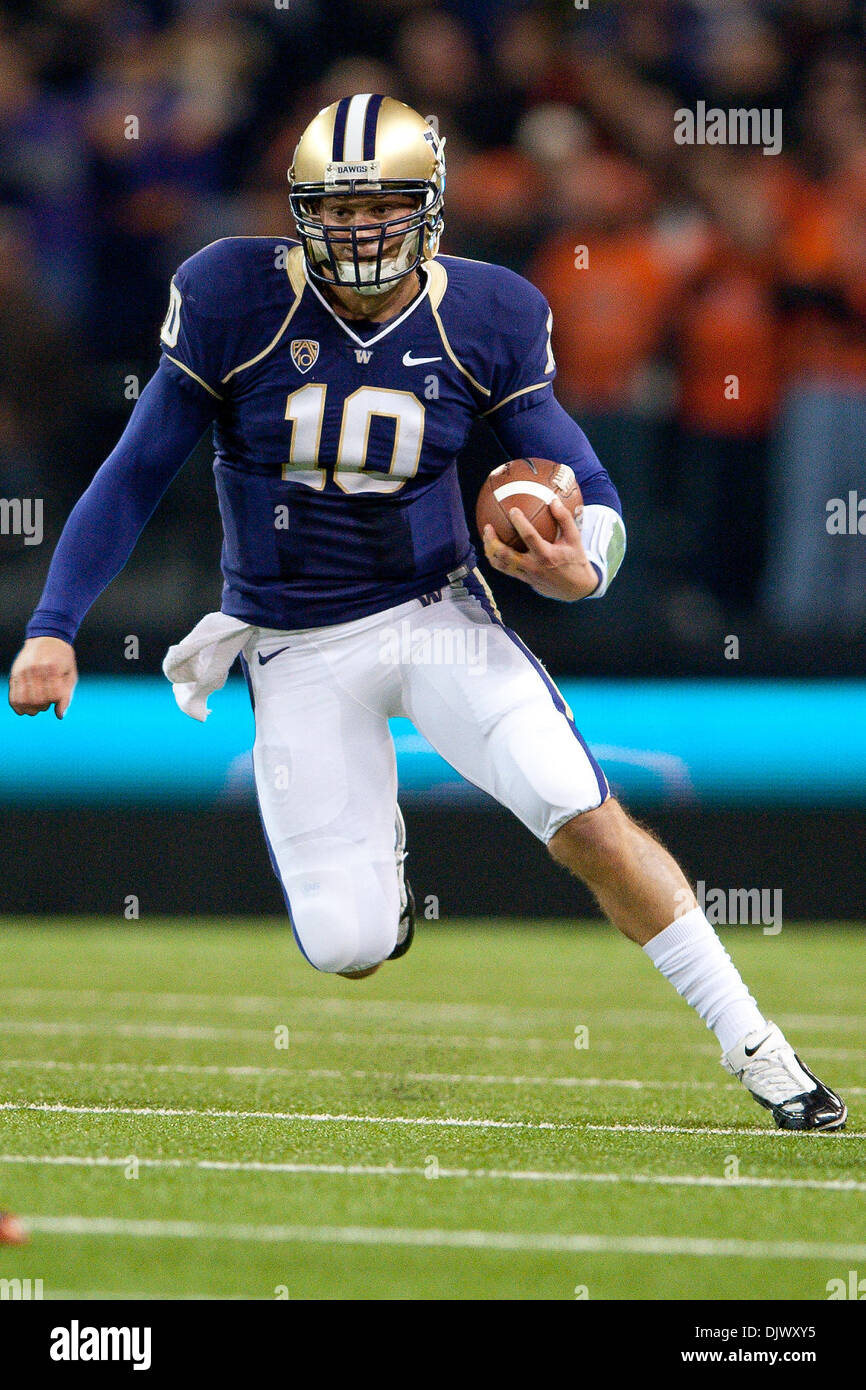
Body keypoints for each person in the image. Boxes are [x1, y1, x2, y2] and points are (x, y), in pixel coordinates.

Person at [9, 95, 845, 1131]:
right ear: (298, 212)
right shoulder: (231, 292)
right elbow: (135, 470)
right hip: (292, 640)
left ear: (431, 206)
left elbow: (582, 474)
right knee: (346, 944)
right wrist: (54, 621)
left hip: (431, 610)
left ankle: (761, 1051)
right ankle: (386, 898)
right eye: (335, 208)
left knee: (575, 806)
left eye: (381, 206)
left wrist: (583, 562)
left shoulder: (483, 312)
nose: (358, 232)